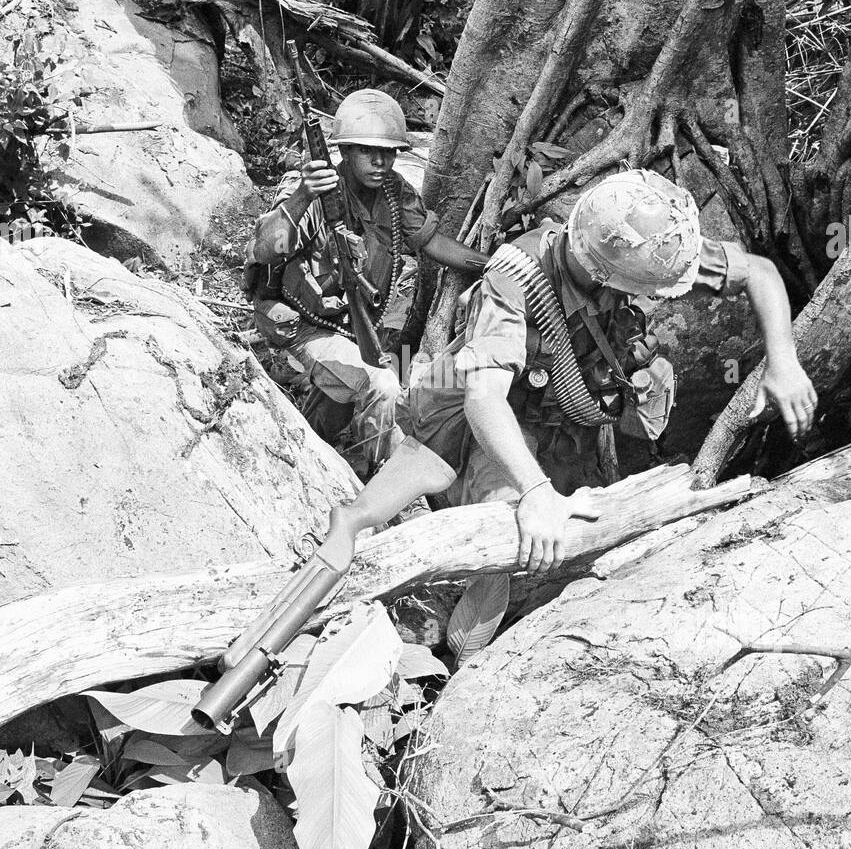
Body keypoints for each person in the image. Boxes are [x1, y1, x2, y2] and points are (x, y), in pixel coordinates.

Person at [398, 168, 818, 580]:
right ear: (606, 275)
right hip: (502, 422)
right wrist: (535, 492)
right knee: (524, 555)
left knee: (603, 540)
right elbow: (484, 398)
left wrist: (783, 361)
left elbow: (758, 272)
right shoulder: (516, 280)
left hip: (572, 419)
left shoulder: (642, 242)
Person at [244, 88, 487, 471]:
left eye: (389, 152)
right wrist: (303, 197)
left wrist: (492, 264)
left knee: (388, 379)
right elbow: (263, 249)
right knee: (384, 385)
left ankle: (307, 454)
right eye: (366, 151)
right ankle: (384, 483)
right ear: (344, 151)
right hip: (304, 325)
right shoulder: (312, 191)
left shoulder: (394, 192)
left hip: (356, 324)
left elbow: (433, 243)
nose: (380, 162)